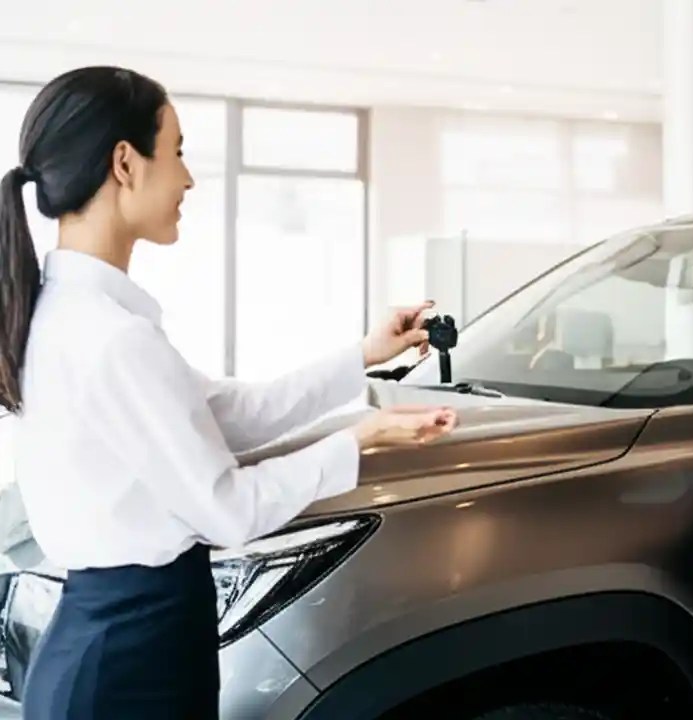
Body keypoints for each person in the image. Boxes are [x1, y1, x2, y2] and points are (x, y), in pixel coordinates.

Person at [1, 66, 458, 719]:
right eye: (178, 151)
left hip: (114, 650)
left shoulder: (74, 317)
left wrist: (363, 356)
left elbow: (230, 416)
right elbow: (229, 511)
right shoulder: (109, 337)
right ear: (126, 163)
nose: (188, 178)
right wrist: (358, 441)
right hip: (127, 667)